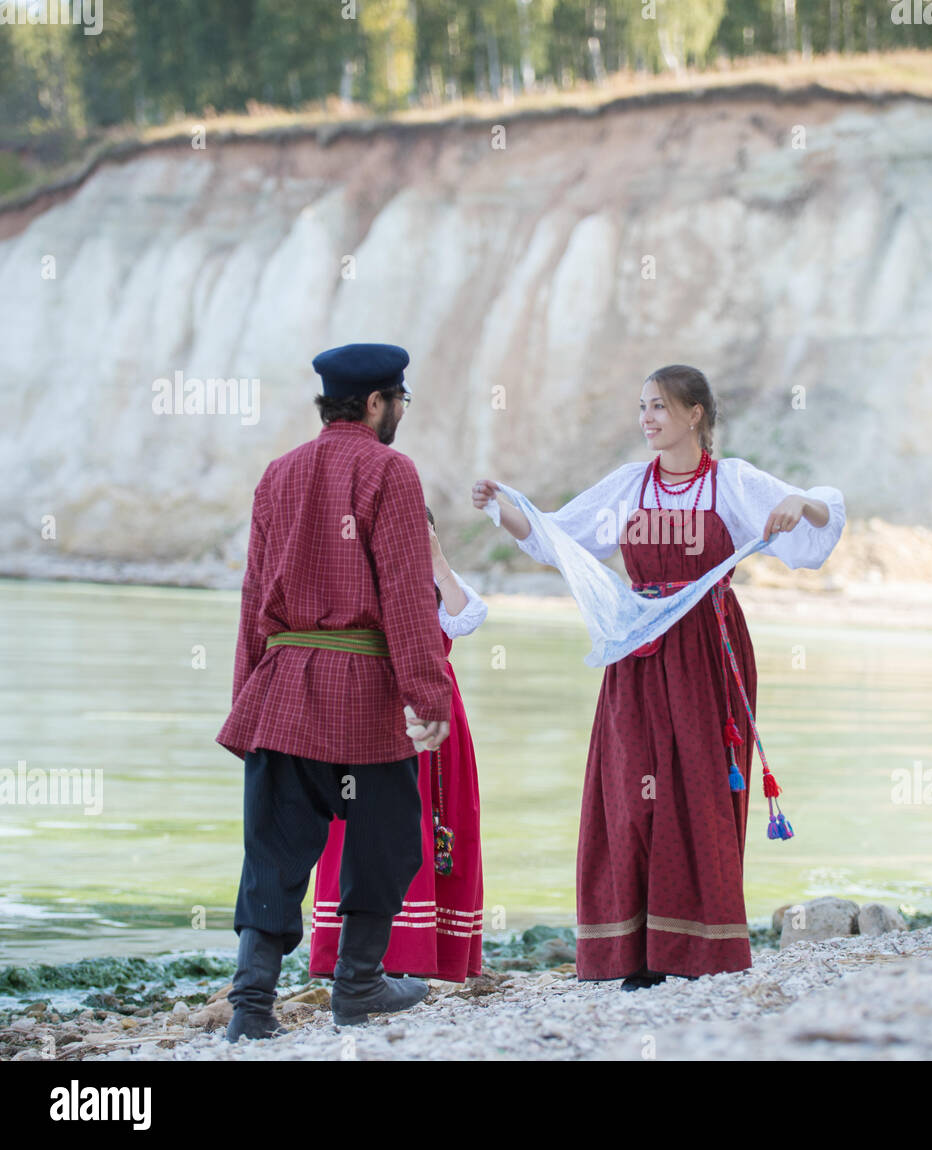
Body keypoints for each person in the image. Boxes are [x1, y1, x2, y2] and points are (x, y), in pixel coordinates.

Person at [473, 365, 844, 988]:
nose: (646, 418)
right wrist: (505, 510)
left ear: (694, 414)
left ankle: (696, 950)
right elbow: (559, 539)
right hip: (638, 649)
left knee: (696, 788)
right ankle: (634, 952)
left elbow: (820, 521)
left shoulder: (734, 483)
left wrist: (798, 501)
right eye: (641, 407)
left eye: (659, 407)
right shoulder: (628, 486)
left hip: (707, 647)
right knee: (628, 790)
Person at [216, 342, 453, 1039]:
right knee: (383, 840)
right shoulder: (390, 471)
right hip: (363, 694)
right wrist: (427, 696)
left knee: (274, 850)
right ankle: (356, 987)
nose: (402, 413)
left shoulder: (278, 473)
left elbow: (253, 595)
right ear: (377, 403)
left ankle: (250, 1010)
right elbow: (409, 595)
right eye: (400, 400)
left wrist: (245, 703)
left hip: (283, 691)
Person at [309, 520, 487, 983]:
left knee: (427, 826)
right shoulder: (355, 574)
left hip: (430, 712)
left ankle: (416, 955)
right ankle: (353, 958)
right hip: (366, 706)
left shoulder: (433, 577)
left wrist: (436, 558)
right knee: (356, 826)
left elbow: (469, 617)